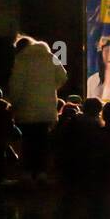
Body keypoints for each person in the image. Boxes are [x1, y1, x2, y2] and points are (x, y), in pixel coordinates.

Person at [8, 34, 68, 182]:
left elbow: (16, 86)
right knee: (42, 141)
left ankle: (28, 172)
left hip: (27, 109)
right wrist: (50, 88)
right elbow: (63, 76)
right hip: (46, 109)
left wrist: (14, 103)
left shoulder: (21, 60)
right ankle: (42, 172)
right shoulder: (49, 56)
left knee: (28, 141)